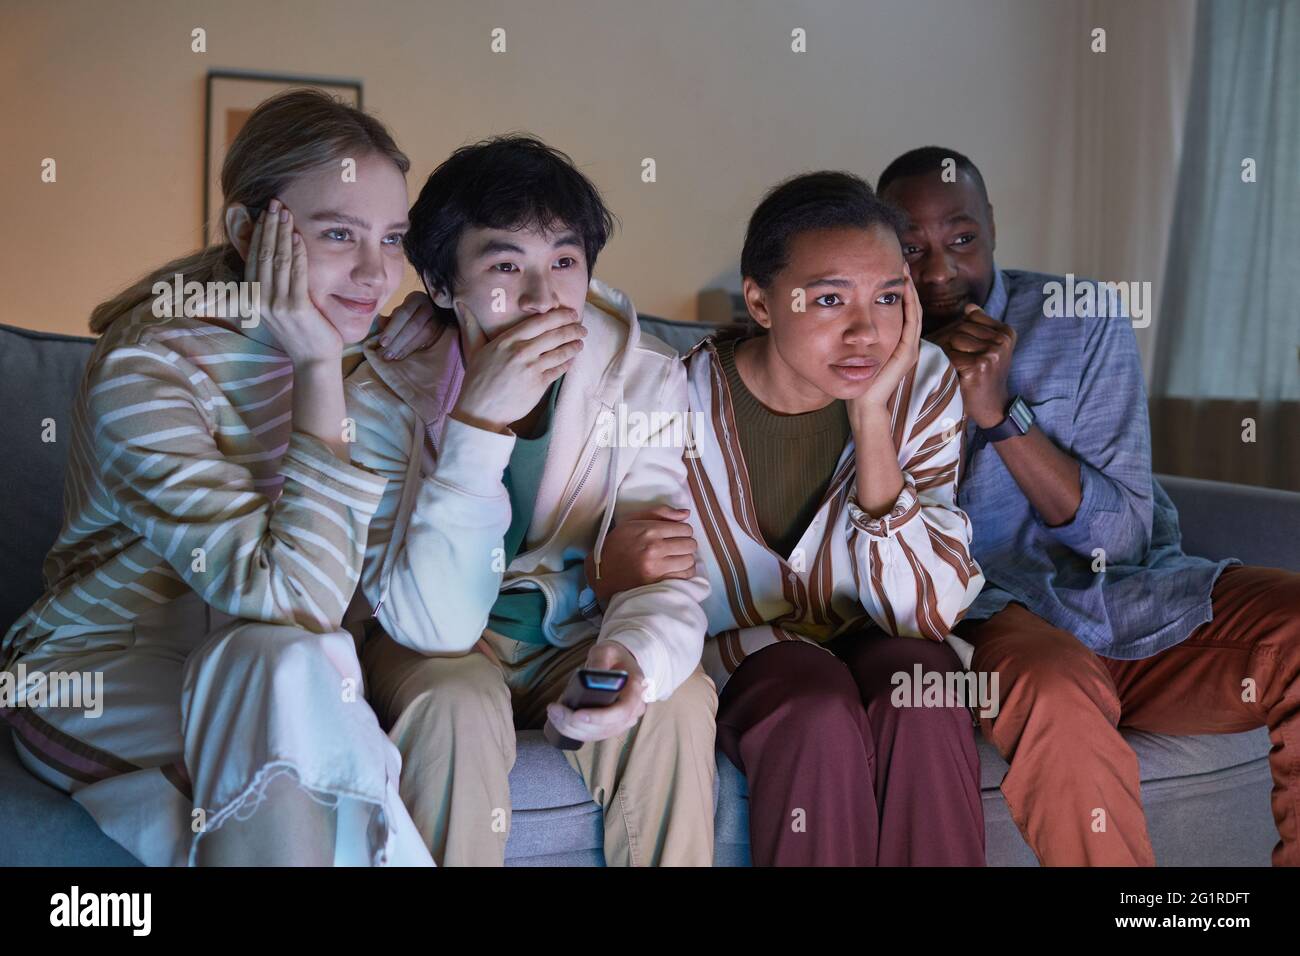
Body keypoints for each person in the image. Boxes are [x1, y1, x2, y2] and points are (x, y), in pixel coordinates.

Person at [0, 89, 438, 867]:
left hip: (270, 667)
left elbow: (352, 605)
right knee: (290, 688)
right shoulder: (147, 371)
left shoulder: (355, 360)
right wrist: (316, 367)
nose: (377, 273)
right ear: (248, 230)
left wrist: (370, 381)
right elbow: (298, 601)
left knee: (284, 672)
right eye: (340, 233)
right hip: (103, 672)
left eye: (393, 238)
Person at [878, 145, 1300, 866]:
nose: (940, 272)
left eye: (960, 239)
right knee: (1054, 690)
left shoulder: (1081, 319)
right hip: (990, 619)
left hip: (1129, 600)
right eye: (910, 250)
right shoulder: (861, 350)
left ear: (993, 229)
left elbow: (1125, 537)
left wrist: (1001, 414)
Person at [596, 171, 987, 865]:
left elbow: (924, 612)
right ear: (761, 301)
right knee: (813, 704)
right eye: (831, 298)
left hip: (887, 640)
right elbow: (628, 572)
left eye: (890, 297)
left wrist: (871, 420)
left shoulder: (921, 382)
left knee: (922, 691)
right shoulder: (672, 401)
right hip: (751, 665)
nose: (867, 331)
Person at [347, 135, 717, 866]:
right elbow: (433, 623)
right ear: (443, 283)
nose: (543, 297)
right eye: (505, 264)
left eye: (565, 263)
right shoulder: (380, 392)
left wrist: (629, 653)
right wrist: (479, 426)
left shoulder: (642, 377)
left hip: (575, 635)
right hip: (437, 647)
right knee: (453, 704)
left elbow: (664, 572)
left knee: (674, 701)